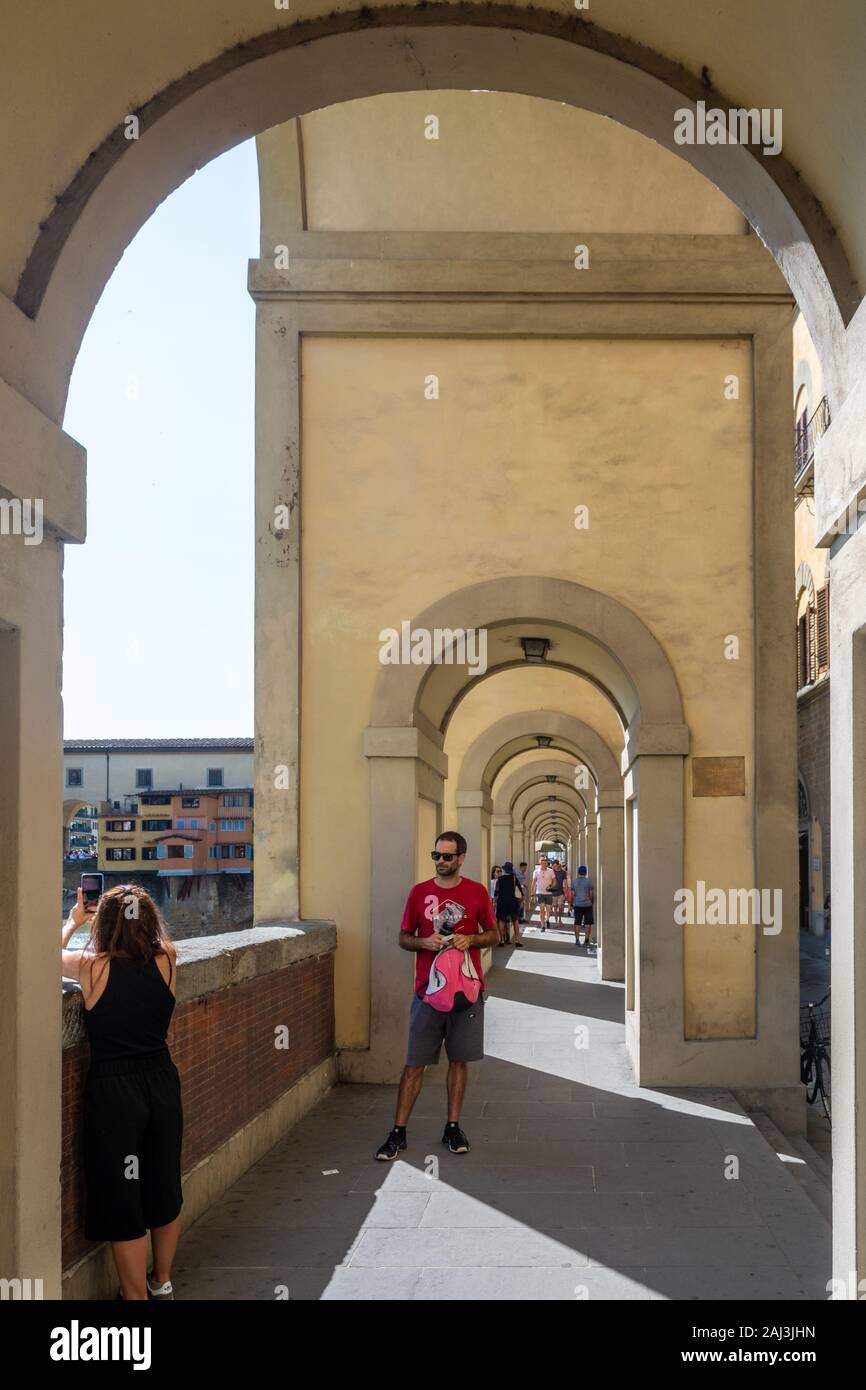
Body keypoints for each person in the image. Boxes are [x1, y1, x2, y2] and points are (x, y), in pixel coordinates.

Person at [61, 883, 183, 1301]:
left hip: (115, 1091)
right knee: (163, 1181)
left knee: (121, 1192)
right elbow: (152, 943)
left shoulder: (92, 967)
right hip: (161, 1081)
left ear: (106, 924)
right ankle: (161, 1279)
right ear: (148, 920)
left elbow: (38, 957)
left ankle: (135, 1298)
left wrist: (75, 921)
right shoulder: (167, 959)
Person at [376, 831, 498, 1161]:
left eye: (447, 856)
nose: (441, 862)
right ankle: (398, 1132)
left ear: (461, 858)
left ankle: (452, 1127)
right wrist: (425, 942)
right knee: (415, 1063)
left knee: (458, 1061)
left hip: (466, 992)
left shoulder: (476, 892)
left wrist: (469, 939)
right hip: (427, 993)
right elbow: (403, 938)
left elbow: (494, 935)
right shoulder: (419, 893)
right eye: (436, 856)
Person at [493, 861, 524, 947]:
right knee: (515, 921)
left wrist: (494, 902)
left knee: (501, 921)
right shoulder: (514, 878)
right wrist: (521, 900)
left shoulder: (500, 879)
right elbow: (520, 890)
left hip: (502, 902)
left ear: (504, 870)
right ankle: (517, 940)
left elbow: (496, 892)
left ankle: (501, 940)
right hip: (512, 902)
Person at [571, 865, 596, 950]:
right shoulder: (588, 882)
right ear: (586, 873)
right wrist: (591, 902)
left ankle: (577, 940)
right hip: (587, 904)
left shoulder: (574, 882)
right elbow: (591, 894)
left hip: (577, 904)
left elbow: (573, 894)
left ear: (578, 872)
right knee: (588, 923)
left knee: (577, 923)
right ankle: (586, 940)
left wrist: (572, 904)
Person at [531, 856, 556, 931]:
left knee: (548, 909)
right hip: (540, 892)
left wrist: (551, 886)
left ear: (547, 863)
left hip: (548, 893)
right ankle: (542, 926)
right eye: (542, 862)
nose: (544, 863)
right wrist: (532, 893)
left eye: (545, 862)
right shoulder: (536, 871)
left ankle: (547, 919)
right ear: (540, 863)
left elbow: (555, 881)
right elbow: (534, 883)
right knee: (542, 909)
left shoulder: (551, 871)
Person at [551, 859, 568, 927]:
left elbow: (565, 882)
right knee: (555, 907)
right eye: (553, 866)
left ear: (558, 865)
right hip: (553, 892)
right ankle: (556, 921)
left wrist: (565, 892)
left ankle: (560, 918)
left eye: (555, 865)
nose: (554, 867)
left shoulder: (563, 872)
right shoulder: (552, 872)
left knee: (560, 907)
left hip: (561, 892)